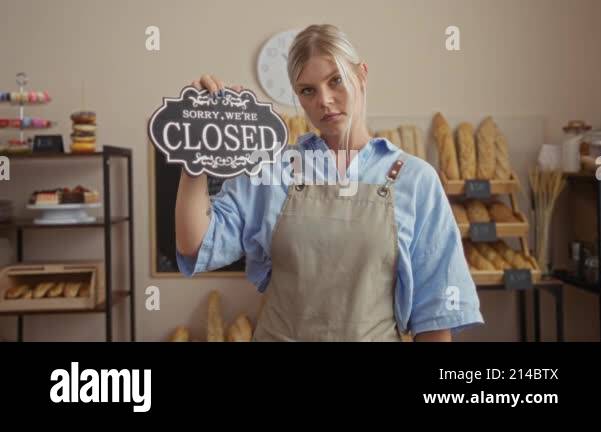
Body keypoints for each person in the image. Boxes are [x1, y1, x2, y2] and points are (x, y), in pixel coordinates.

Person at [175, 24, 484, 341]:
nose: (324, 100)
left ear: (361, 75)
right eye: (308, 90)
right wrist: (194, 147)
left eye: (335, 80)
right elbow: (195, 244)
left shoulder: (415, 180)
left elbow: (434, 317)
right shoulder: (272, 171)